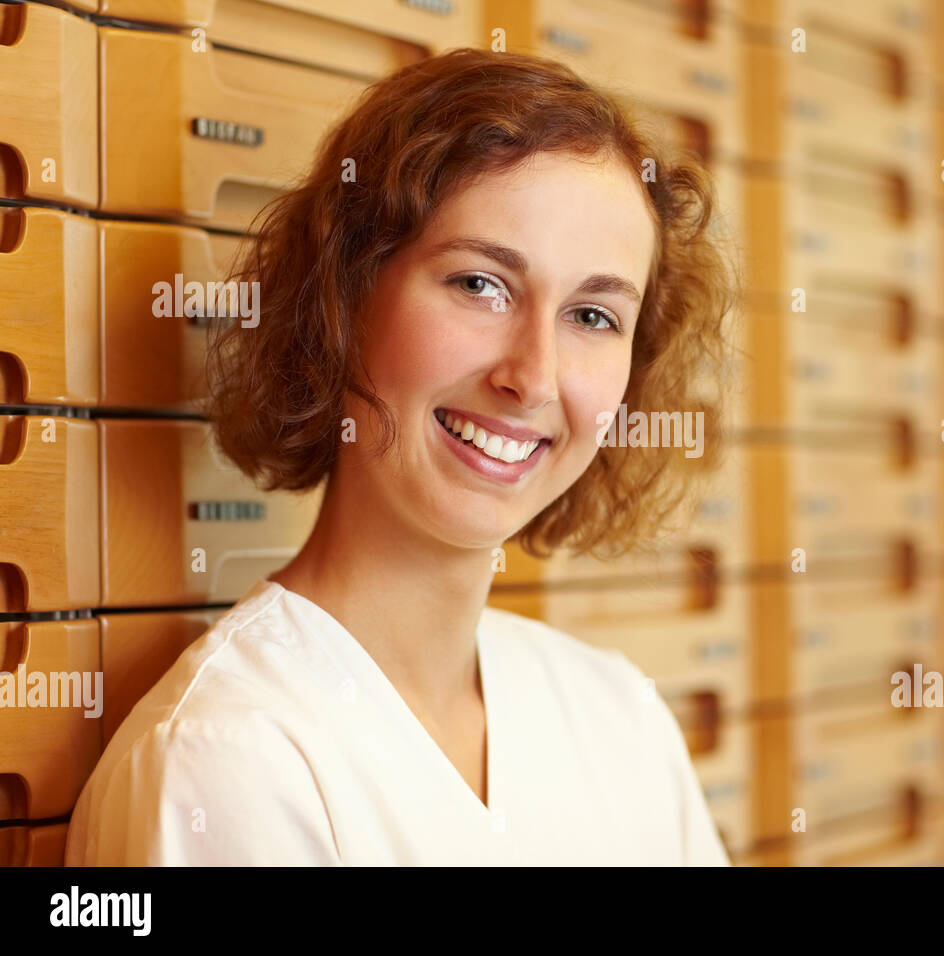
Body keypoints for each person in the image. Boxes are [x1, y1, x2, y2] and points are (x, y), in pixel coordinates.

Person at [65, 47, 738, 865]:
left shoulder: (616, 712)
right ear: (342, 299)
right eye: (480, 285)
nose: (532, 377)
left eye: (592, 316)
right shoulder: (229, 760)